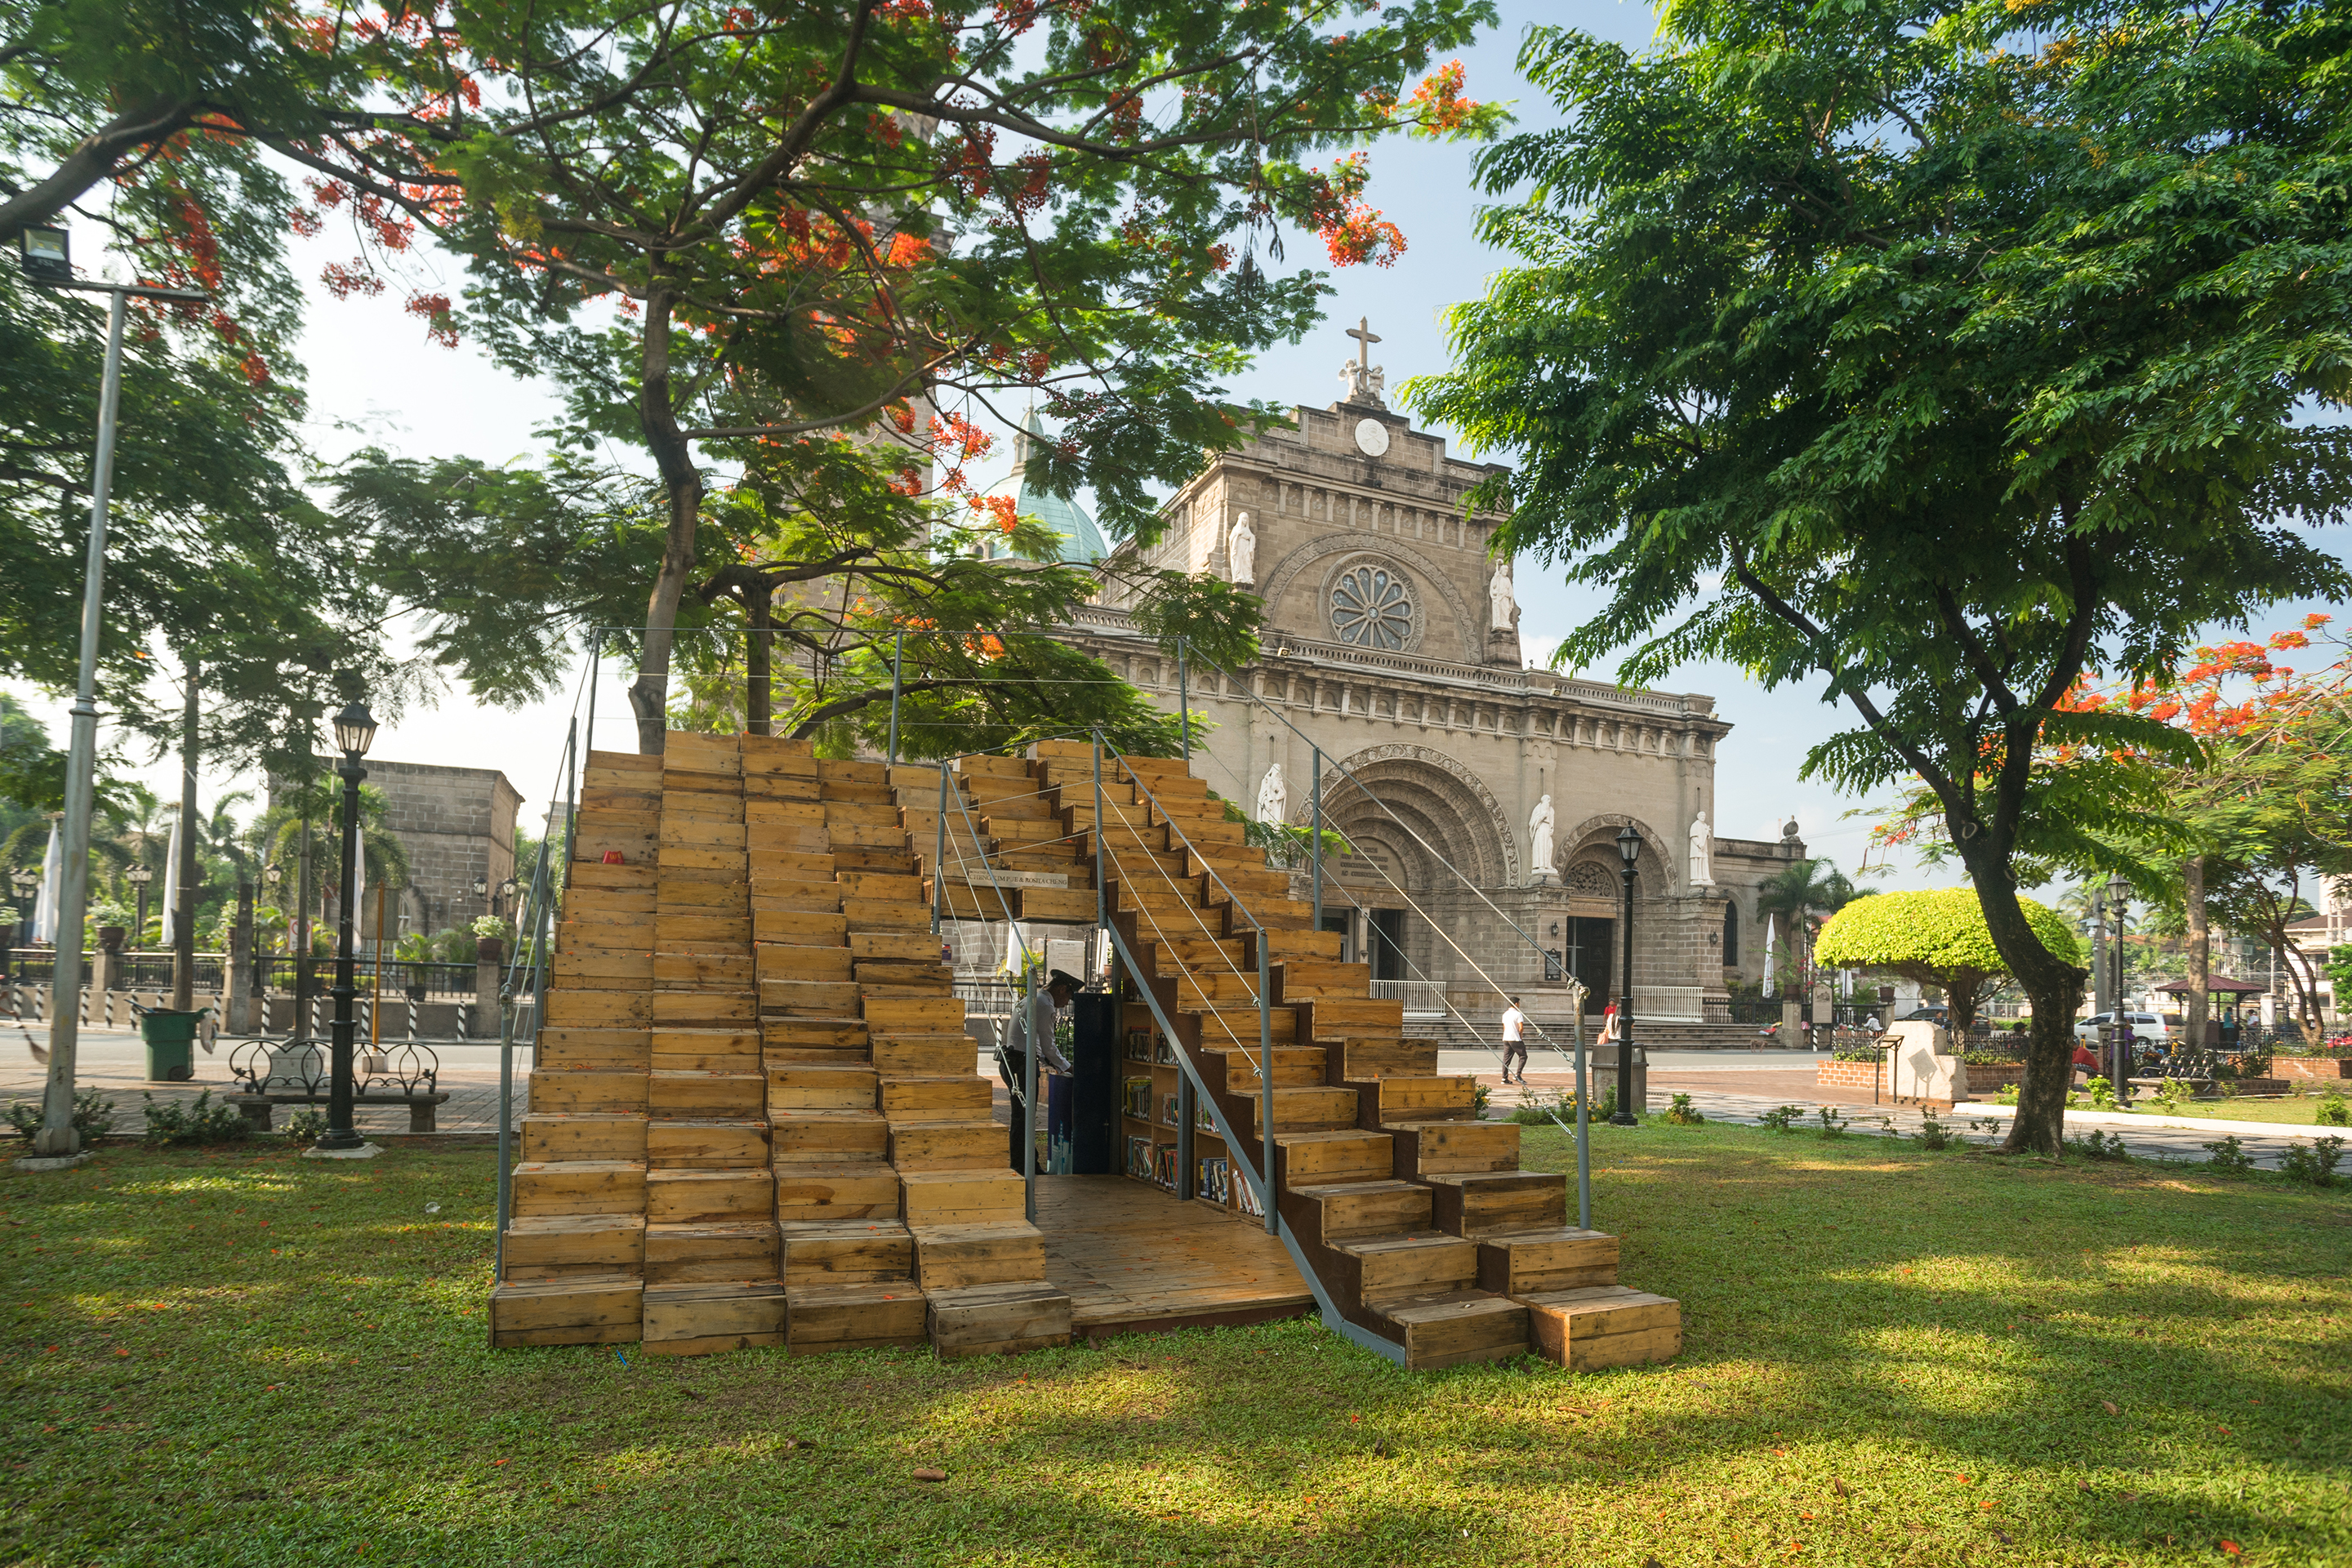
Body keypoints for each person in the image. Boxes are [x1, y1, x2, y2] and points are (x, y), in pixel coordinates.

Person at [1000, 969, 1079, 1171]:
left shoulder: (1035, 998)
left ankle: (1025, 1163)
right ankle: (1024, 1166)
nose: (1067, 1002)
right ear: (1062, 989)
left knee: (1023, 1117)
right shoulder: (1044, 1004)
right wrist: (1067, 1066)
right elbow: (1048, 1046)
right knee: (1023, 1118)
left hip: (1015, 1060)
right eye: (1069, 996)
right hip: (1021, 1063)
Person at [1499, 996, 1528, 1084]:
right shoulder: (1518, 1014)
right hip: (1515, 1038)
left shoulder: (1505, 1014)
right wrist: (1520, 1035)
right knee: (1523, 1056)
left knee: (1506, 1059)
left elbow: (1504, 1027)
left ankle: (1504, 1077)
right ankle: (1518, 1075)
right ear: (1516, 1004)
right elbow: (1521, 1027)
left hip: (1506, 1038)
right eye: (1519, 1003)